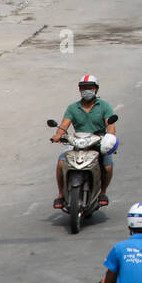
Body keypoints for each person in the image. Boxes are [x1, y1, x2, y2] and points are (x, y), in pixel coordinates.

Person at [50, 75, 117, 209]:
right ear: (79, 90)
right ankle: (61, 194)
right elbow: (64, 125)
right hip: (77, 142)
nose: (87, 90)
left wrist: (110, 138)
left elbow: (110, 125)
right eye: (84, 88)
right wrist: (57, 135)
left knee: (108, 167)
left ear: (96, 90)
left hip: (98, 143)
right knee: (61, 162)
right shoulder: (73, 108)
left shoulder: (104, 106)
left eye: (90, 88)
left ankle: (102, 192)